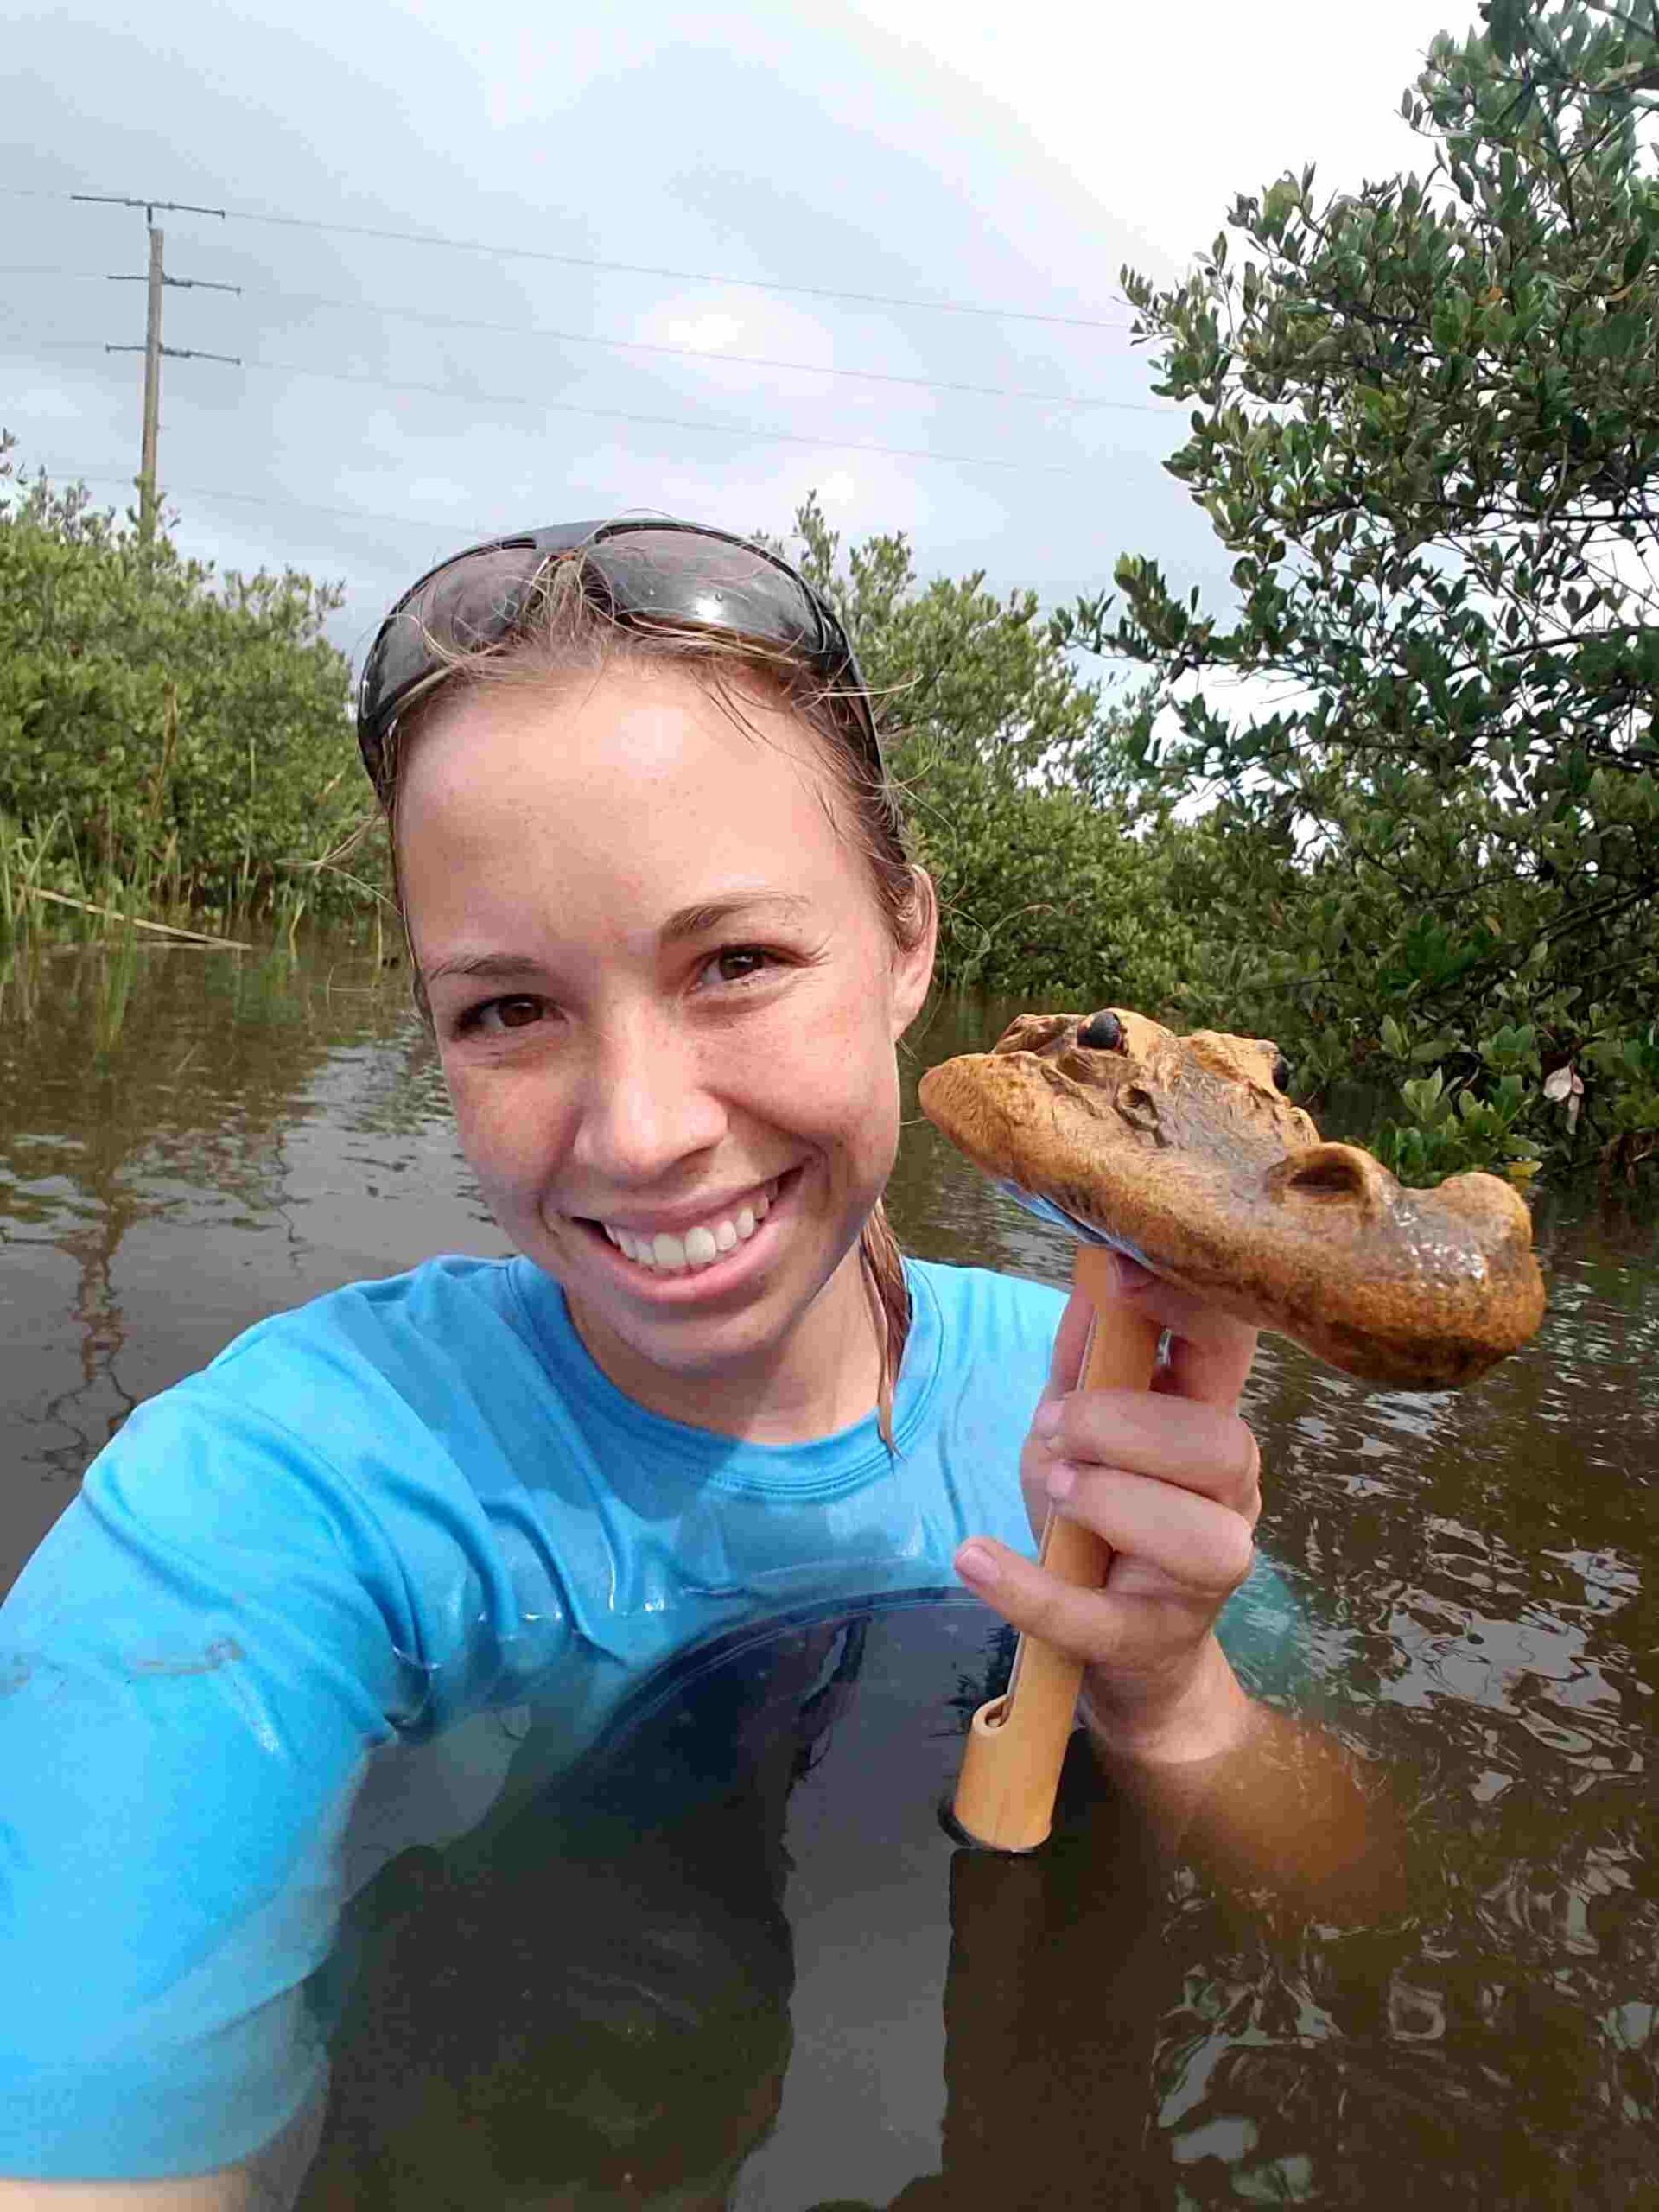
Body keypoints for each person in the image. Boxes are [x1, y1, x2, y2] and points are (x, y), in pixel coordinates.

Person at [0, 521, 1365, 2207]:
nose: (642, 1133)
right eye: (507, 1008)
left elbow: (1348, 1889)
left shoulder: (1093, 1403)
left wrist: (1174, 1685)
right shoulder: (286, 1483)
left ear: (908, 944)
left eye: (736, 962)